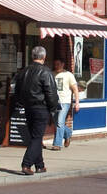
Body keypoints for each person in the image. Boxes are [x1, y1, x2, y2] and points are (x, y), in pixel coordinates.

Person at [15, 46, 59, 175]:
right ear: (44, 57)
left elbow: (17, 90)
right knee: (36, 137)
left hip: (28, 107)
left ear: (33, 56)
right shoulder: (46, 72)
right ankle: (26, 163)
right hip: (41, 107)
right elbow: (51, 93)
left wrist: (21, 103)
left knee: (35, 136)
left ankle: (40, 165)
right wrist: (53, 108)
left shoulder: (24, 71)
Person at [51, 58, 79, 150]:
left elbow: (75, 89)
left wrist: (77, 102)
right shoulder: (52, 74)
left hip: (65, 101)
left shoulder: (68, 75)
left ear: (63, 64)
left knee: (60, 122)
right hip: (54, 102)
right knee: (57, 123)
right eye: (55, 64)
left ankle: (57, 144)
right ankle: (68, 133)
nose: (56, 66)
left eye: (58, 64)